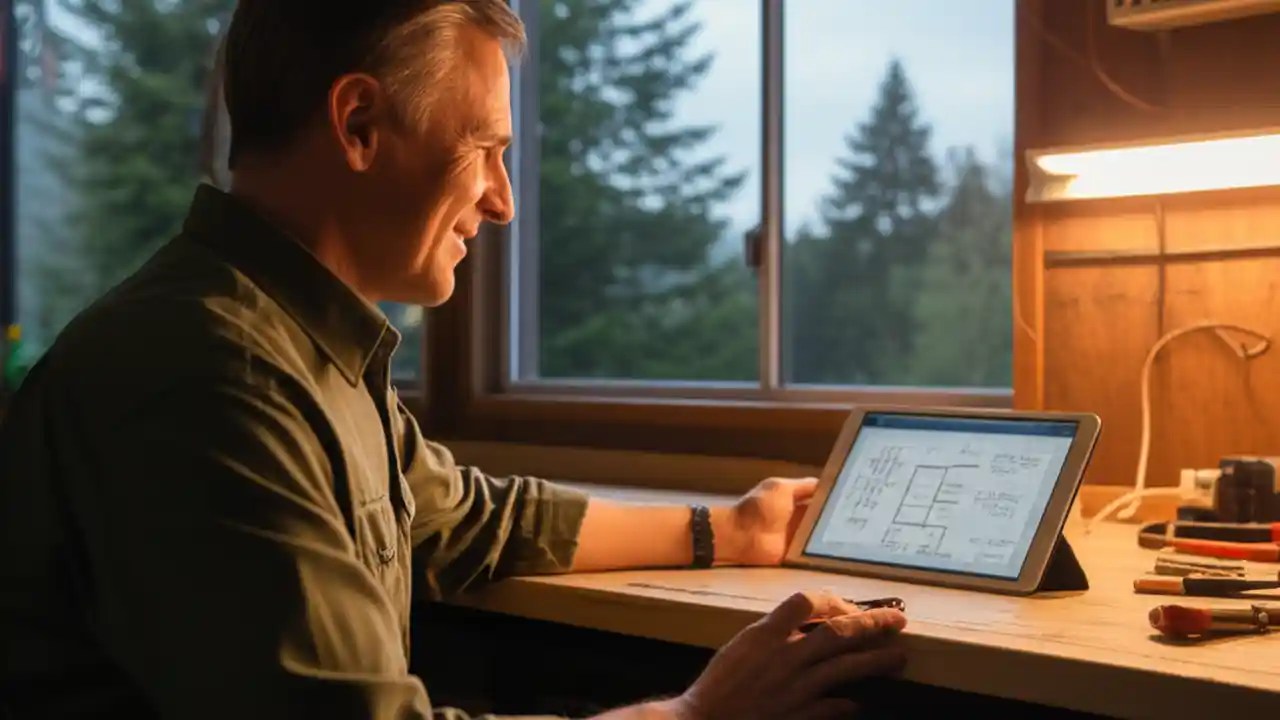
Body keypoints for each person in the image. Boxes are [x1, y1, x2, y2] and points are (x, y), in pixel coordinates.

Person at [0, 2, 908, 718]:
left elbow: (467, 518)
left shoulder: (293, 340)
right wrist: (698, 714)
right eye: (485, 150)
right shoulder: (214, 377)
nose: (504, 201)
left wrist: (732, 531)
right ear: (358, 123)